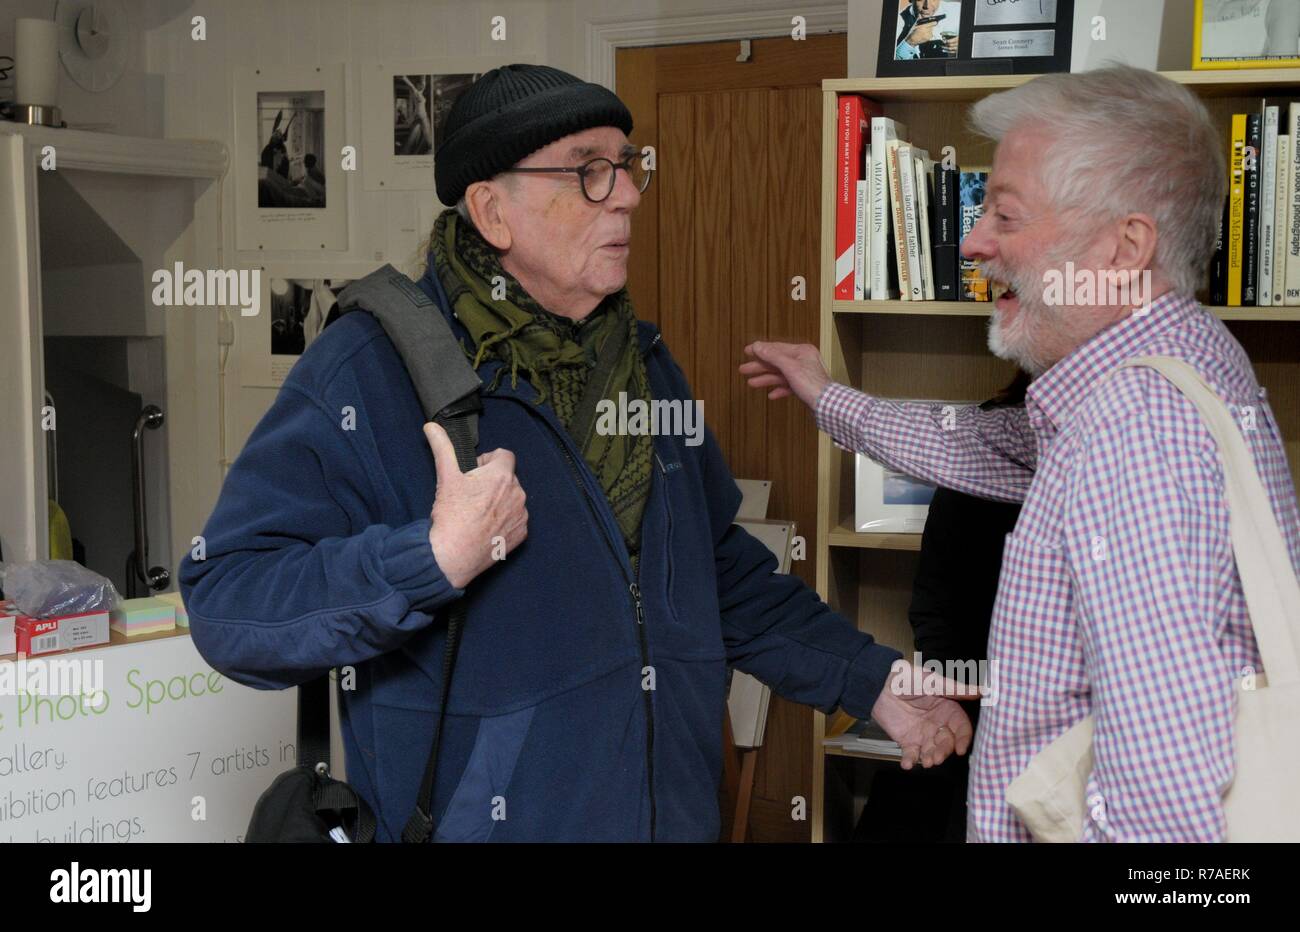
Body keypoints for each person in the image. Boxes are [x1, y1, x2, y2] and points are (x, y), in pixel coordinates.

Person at [181, 63, 975, 843]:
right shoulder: (369, 369)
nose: (627, 194)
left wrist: (874, 683)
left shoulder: (645, 364)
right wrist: (430, 558)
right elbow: (228, 601)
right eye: (589, 172)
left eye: (626, 168)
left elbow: (717, 574)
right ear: (493, 211)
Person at [740, 64, 1300, 842]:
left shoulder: (1136, 430)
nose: (973, 243)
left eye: (1005, 215)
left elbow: (1167, 799)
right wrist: (827, 397)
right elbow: (980, 448)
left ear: (1123, 246)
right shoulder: (1176, 359)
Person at [895, 0, 961, 60]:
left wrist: (963, 45)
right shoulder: (895, 22)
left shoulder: (959, 11)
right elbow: (889, 68)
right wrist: (910, 42)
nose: (926, 6)